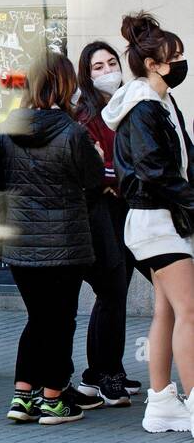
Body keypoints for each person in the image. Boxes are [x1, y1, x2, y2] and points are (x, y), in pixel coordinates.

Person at [0, 52, 104, 425]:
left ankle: (23, 396)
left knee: (38, 319)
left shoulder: (6, 130)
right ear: (65, 85)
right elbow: (94, 181)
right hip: (65, 243)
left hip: (20, 246)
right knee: (60, 321)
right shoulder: (73, 133)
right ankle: (53, 398)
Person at [105, 12, 194, 433]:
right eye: (174, 56)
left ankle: (161, 402)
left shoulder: (160, 102)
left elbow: (178, 161)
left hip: (159, 219)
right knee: (189, 311)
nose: (181, 62)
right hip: (156, 221)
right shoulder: (144, 107)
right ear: (154, 64)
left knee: (168, 312)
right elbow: (155, 169)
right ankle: (191, 401)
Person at [75, 41, 140, 404]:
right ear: (87, 74)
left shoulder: (126, 105)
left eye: (111, 63)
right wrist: (113, 181)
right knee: (111, 292)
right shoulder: (87, 114)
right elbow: (95, 167)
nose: (107, 71)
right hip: (102, 213)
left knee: (115, 293)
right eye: (98, 67)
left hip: (126, 208)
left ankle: (102, 370)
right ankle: (103, 375)